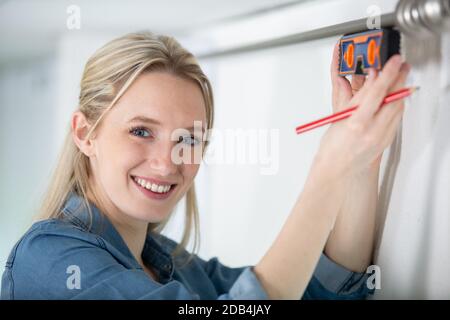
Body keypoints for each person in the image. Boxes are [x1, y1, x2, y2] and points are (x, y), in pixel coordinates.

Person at [0, 31, 410, 300]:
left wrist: (361, 163)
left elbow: (318, 290)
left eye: (188, 139)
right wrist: (328, 168)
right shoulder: (51, 262)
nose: (167, 162)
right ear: (85, 133)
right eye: (141, 131)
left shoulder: (177, 268)